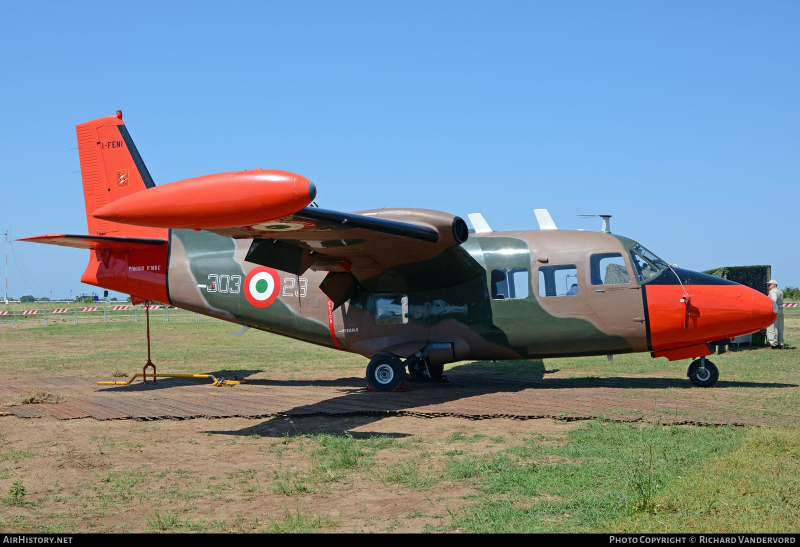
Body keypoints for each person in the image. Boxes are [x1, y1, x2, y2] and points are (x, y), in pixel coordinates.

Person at [767, 280, 784, 349]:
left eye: (770, 284)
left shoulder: (772, 291)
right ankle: (781, 343)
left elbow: (773, 300)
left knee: (771, 327)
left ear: (774, 285)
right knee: (780, 327)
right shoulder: (780, 291)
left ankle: (773, 344)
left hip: (774, 309)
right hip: (780, 309)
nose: (769, 286)